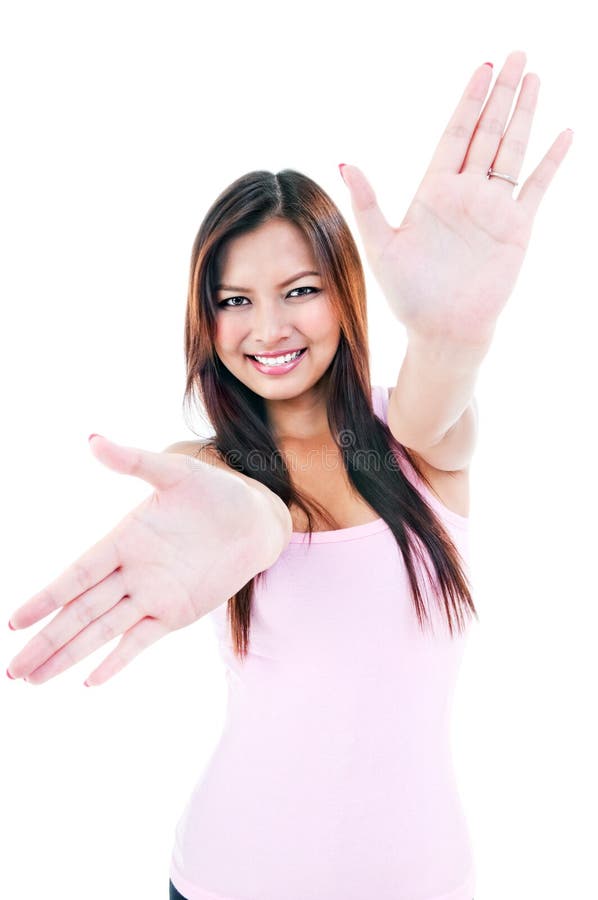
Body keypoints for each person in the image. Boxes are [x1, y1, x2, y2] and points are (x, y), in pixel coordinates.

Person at [6, 49, 572, 900]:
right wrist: (260, 521)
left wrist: (455, 330)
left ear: (345, 292)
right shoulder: (207, 474)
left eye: (299, 289)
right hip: (229, 879)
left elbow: (435, 397)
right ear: (208, 315)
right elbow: (239, 507)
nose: (267, 327)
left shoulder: (416, 434)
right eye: (234, 300)